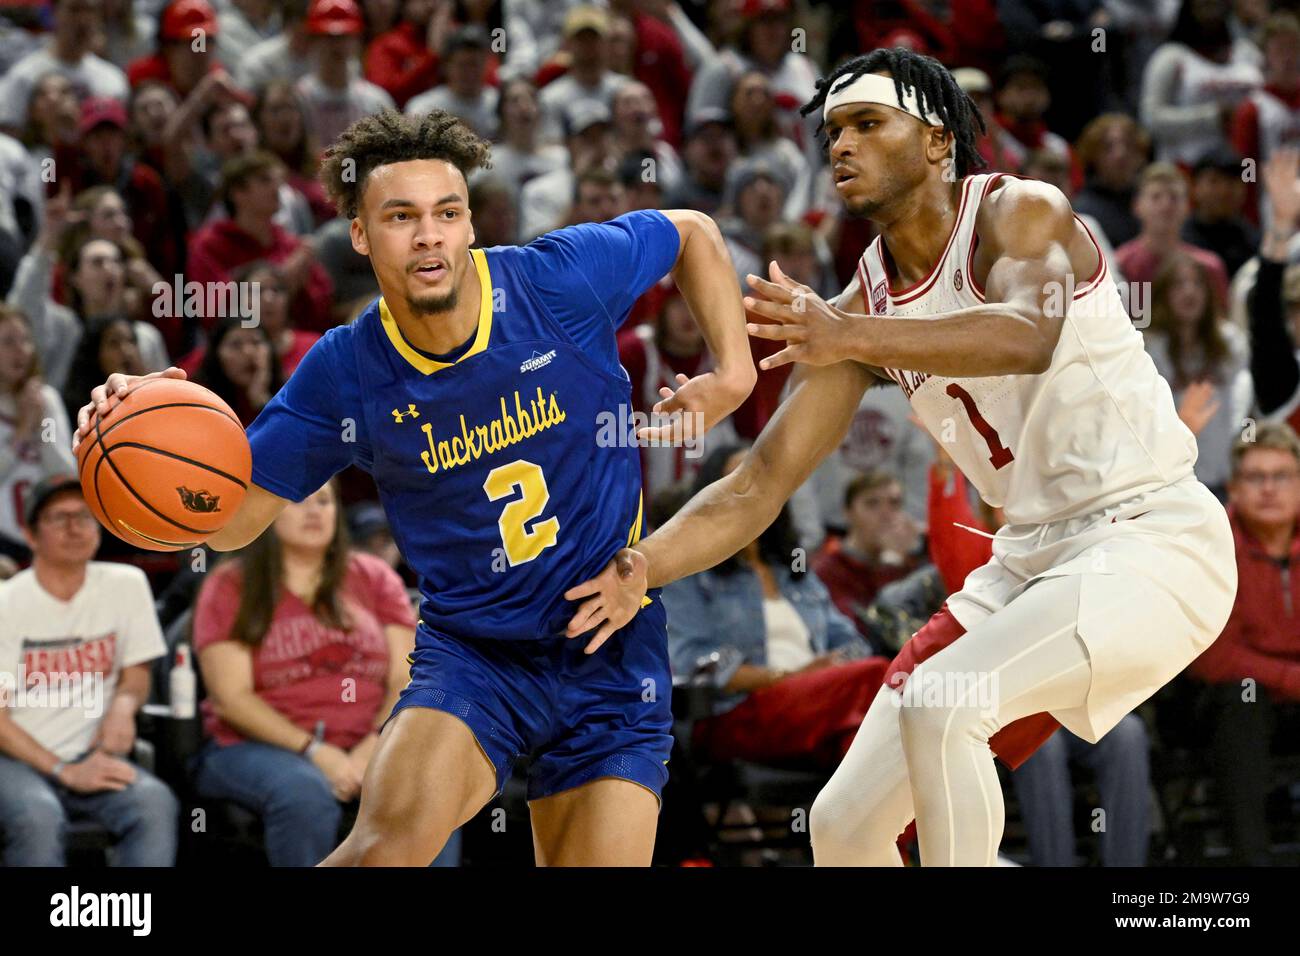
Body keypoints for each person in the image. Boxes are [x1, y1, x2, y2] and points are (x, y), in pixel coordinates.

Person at [566, 48, 1238, 867]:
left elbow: (1027, 334)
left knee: (941, 707)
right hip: (1029, 562)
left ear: (936, 141)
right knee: (845, 828)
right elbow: (758, 483)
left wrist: (846, 335)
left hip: (1149, 538)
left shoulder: (1020, 213)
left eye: (867, 125)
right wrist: (645, 566)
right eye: (832, 131)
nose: (840, 146)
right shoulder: (857, 310)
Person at [74, 107, 755, 866]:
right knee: (383, 853)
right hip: (477, 654)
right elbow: (231, 522)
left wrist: (734, 371)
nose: (429, 234)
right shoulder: (347, 371)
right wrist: (148, 447)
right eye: (401, 216)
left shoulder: (557, 281)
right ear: (361, 236)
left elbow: (692, 229)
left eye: (447, 213)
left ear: (468, 225)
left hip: (611, 640)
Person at [190, 480, 419, 867]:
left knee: (422, 784)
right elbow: (232, 700)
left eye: (325, 501)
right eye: (300, 501)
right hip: (254, 748)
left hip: (368, 738)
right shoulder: (230, 585)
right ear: (266, 513)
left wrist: (375, 743)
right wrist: (315, 752)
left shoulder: (374, 577)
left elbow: (406, 677)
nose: (315, 511)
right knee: (304, 791)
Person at [662, 443, 884, 771]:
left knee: (862, 742)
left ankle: (866, 821)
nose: (755, 493)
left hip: (826, 706)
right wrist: (792, 676)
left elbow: (854, 643)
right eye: (741, 482)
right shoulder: (689, 573)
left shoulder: (793, 571)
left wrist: (834, 665)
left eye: (764, 481)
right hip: (739, 714)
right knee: (881, 678)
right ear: (711, 494)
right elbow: (699, 661)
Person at [0, 474, 178, 866]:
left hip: (94, 755)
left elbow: (136, 670)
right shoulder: (7, 603)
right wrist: (64, 771)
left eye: (85, 516)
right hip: (16, 761)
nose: (75, 528)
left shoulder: (126, 584)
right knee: (37, 817)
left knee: (154, 803)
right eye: (59, 517)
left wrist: (123, 707)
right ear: (31, 536)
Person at [1188, 422, 1300, 865]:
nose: (1269, 489)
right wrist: (1290, 677)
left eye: (1283, 477)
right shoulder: (1212, 546)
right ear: (1233, 488)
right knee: (1242, 702)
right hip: (1227, 701)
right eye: (1256, 477)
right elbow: (1214, 657)